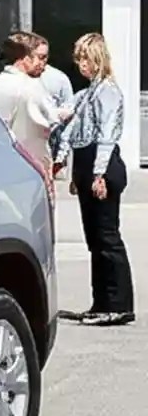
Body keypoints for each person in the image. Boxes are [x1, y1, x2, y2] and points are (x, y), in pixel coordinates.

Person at [55, 32, 135, 326]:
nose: (81, 65)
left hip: (103, 164)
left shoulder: (108, 92)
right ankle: (100, 302)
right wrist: (72, 166)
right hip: (87, 163)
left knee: (107, 237)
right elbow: (74, 129)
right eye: (78, 60)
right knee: (94, 240)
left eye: (85, 59)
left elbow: (106, 136)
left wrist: (99, 173)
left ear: (97, 59)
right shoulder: (88, 92)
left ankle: (118, 303)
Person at [0, 31, 70, 177]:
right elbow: (51, 118)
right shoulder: (32, 87)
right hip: (30, 164)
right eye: (40, 58)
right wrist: (66, 113)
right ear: (24, 58)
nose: (44, 63)